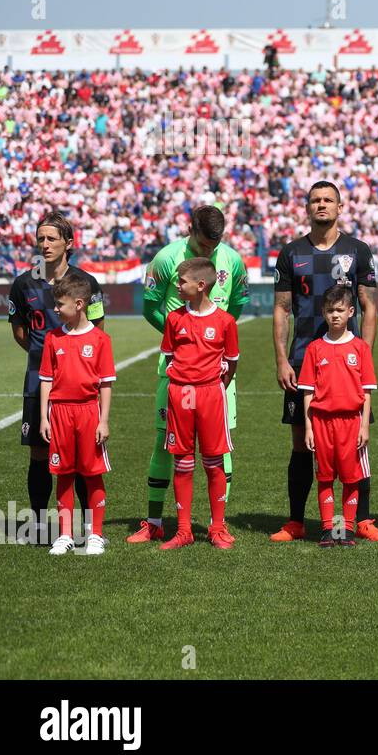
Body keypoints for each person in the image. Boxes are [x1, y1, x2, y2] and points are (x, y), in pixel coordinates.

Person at [128, 206, 249, 544]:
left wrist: (212, 338)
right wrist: (182, 336)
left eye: (216, 243)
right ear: (191, 229)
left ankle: (216, 525)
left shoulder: (234, 261)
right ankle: (154, 521)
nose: (210, 250)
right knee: (165, 444)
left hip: (216, 374)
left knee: (220, 448)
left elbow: (237, 304)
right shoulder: (166, 258)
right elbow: (150, 306)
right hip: (176, 374)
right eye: (204, 242)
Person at [271, 181, 378, 543]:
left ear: (339, 207)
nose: (322, 206)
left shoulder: (358, 250)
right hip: (304, 359)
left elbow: (368, 306)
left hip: (347, 365)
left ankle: (360, 521)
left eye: (328, 201)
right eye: (316, 201)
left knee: (356, 443)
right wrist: (281, 359)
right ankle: (296, 522)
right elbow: (282, 309)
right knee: (302, 442)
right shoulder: (291, 253)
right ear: (307, 208)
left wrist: (361, 356)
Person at [7, 213, 105, 545]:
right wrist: (45, 358)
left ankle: (85, 528)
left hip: (78, 384)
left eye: (51, 238)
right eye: (41, 238)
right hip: (38, 382)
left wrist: (73, 361)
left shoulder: (87, 283)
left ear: (68, 243)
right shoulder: (23, 283)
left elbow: (98, 334)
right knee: (38, 451)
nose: (44, 244)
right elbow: (20, 332)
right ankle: (38, 524)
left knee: (79, 455)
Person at [157, 258, 241, 551]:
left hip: (210, 394)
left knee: (214, 461)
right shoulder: (174, 319)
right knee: (182, 461)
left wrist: (212, 387)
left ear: (201, 285)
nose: (177, 286)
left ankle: (217, 528)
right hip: (180, 394)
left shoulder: (225, 322)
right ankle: (183, 531)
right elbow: (169, 356)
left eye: (181, 282)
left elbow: (231, 365)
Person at [39, 272, 115, 556]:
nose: (55, 309)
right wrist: (45, 417)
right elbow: (46, 379)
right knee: (64, 473)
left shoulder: (100, 340)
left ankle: (95, 534)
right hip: (59, 413)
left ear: (80, 304)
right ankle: (65, 535)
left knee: (92, 474)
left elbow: (105, 383)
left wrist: (103, 420)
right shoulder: (52, 338)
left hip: (88, 412)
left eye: (60, 304)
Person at [297, 286, 378, 548]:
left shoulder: (360, 348)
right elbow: (308, 392)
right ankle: (327, 529)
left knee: (350, 477)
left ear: (351, 312)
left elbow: (366, 392)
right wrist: (309, 427)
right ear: (323, 312)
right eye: (330, 310)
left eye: (340, 310)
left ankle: (346, 529)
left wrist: (364, 425)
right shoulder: (315, 349)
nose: (335, 315)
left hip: (351, 422)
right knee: (325, 477)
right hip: (322, 422)